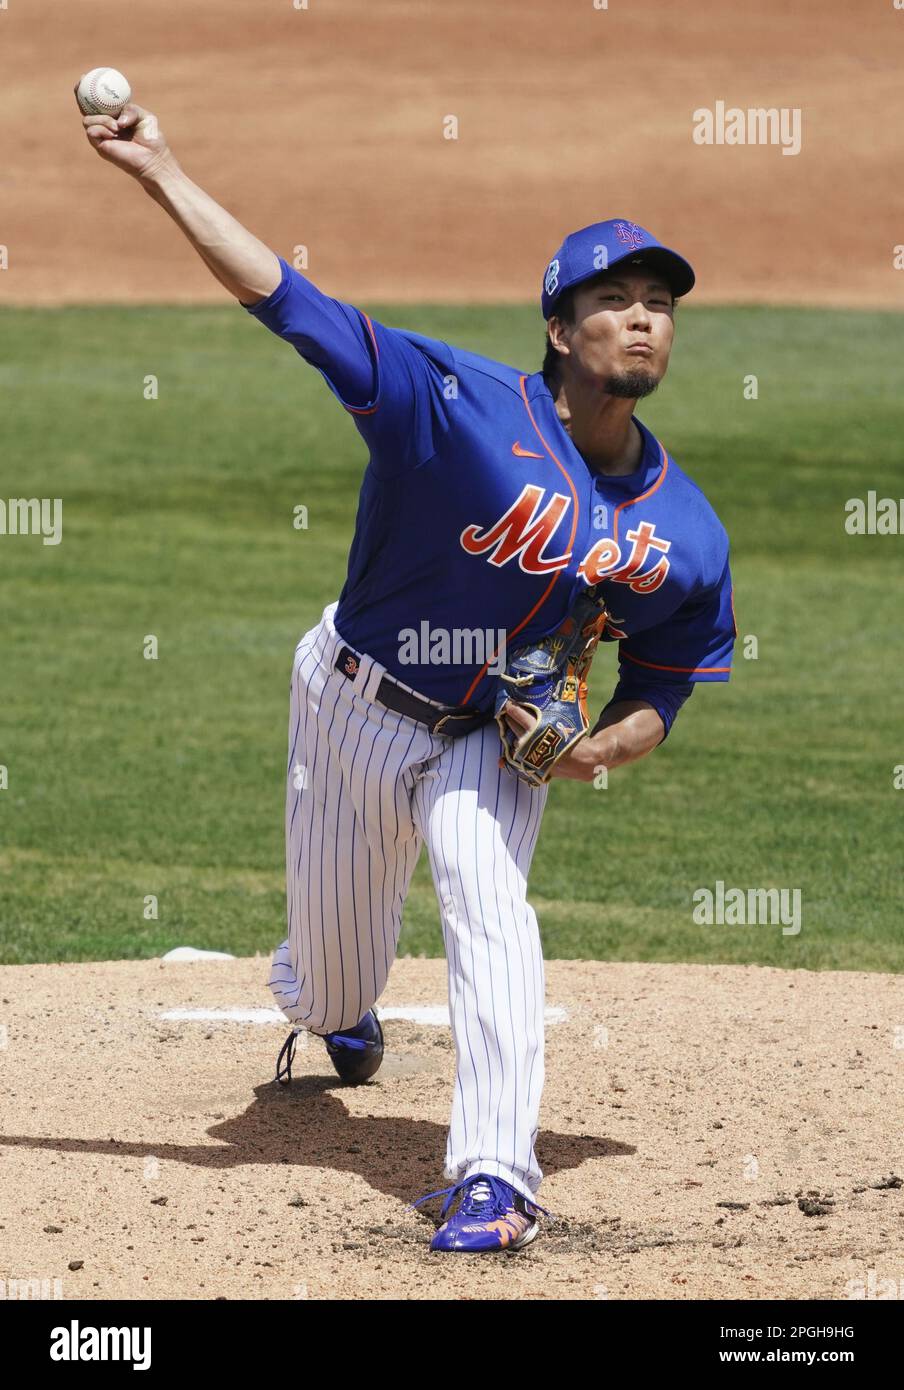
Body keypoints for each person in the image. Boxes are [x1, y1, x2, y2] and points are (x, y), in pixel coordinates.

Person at [79, 97, 735, 1253]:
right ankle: (343, 1016)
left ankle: (497, 1175)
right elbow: (287, 302)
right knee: (328, 986)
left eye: (660, 305)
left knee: (489, 902)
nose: (641, 321)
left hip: (492, 738)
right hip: (352, 701)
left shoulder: (684, 528)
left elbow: (667, 679)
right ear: (556, 325)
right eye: (613, 301)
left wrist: (593, 748)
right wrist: (160, 170)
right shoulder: (450, 403)